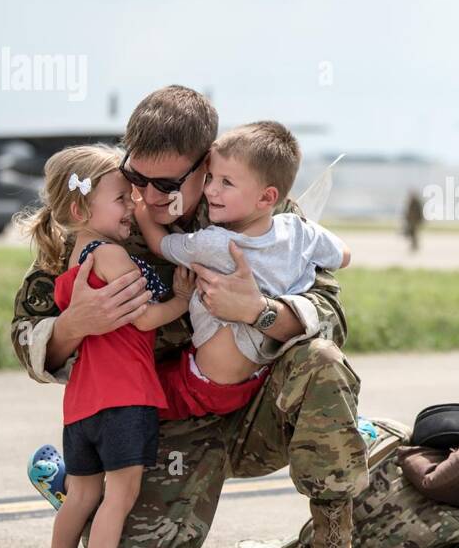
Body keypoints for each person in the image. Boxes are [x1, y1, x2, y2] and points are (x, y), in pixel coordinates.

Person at [11, 86, 371, 548]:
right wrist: (71, 326)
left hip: (254, 411)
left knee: (321, 360)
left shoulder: (253, 202)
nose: (149, 198)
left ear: (206, 164)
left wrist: (260, 312)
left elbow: (331, 312)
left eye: (167, 184)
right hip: (162, 421)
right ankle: (84, 494)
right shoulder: (108, 216)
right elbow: (25, 330)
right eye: (137, 178)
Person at [16, 144, 194, 548]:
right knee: (122, 496)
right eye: (121, 198)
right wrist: (180, 296)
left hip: (82, 405)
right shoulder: (113, 254)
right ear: (80, 209)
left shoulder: (70, 267)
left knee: (81, 496)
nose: (133, 206)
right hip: (124, 397)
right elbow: (146, 314)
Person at [135, 121, 351, 415]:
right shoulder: (300, 230)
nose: (211, 189)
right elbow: (343, 255)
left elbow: (162, 245)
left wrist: (141, 210)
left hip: (200, 386)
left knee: (131, 395)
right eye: (210, 177)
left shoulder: (215, 244)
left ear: (266, 197)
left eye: (226, 183)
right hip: (255, 380)